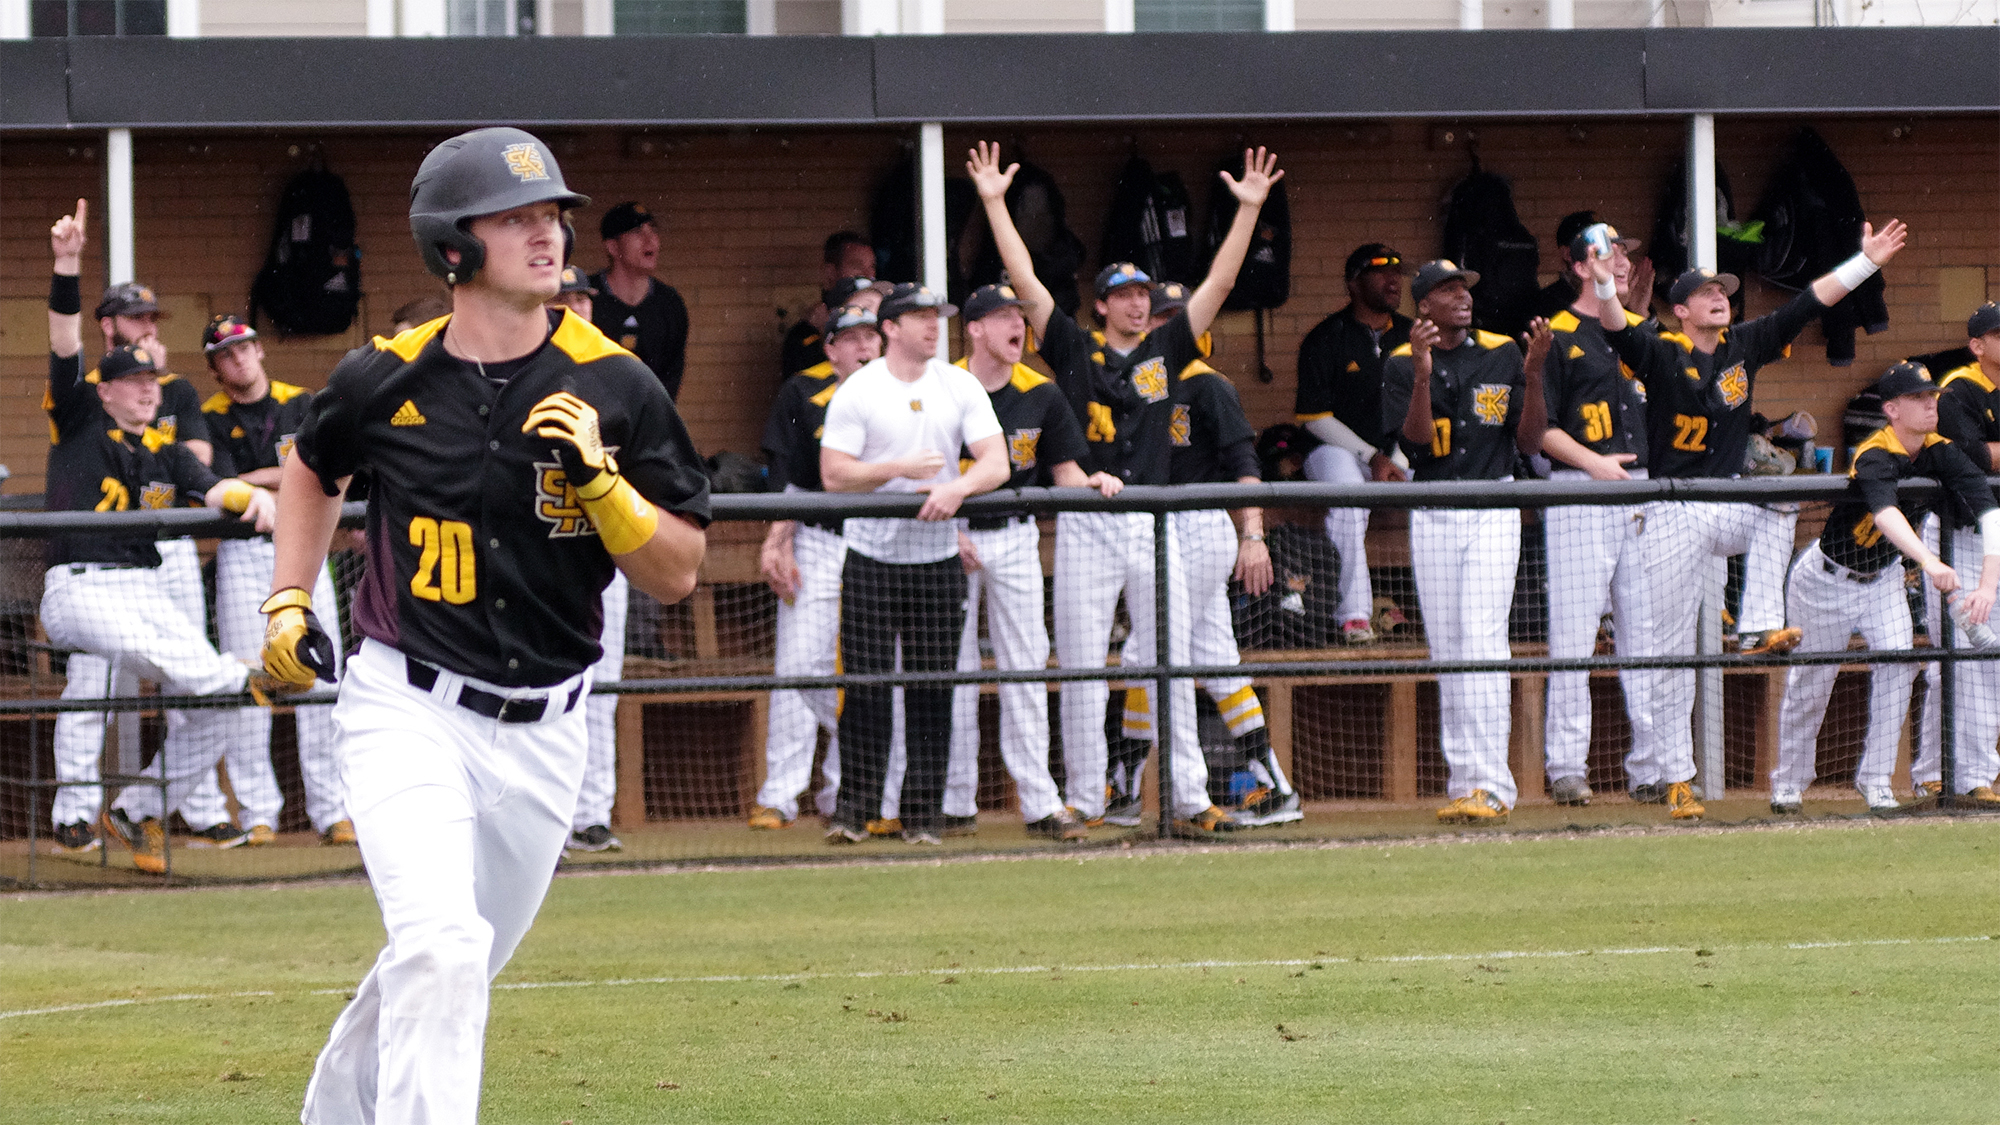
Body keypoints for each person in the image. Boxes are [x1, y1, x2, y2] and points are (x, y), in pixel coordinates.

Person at [269, 128, 709, 1124]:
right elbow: (310, 463)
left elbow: (677, 571)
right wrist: (288, 599)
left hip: (548, 728)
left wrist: (606, 490)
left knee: (441, 965)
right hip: (406, 706)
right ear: (453, 245)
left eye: (552, 214)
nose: (548, 233)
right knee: (442, 946)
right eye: (516, 217)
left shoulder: (618, 385)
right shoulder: (387, 373)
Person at [969, 140, 1281, 835]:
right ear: (1103, 302)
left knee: (1167, 658)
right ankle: (1085, 795)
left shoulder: (1170, 349)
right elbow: (1025, 280)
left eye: (1145, 293)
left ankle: (1189, 797)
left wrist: (1248, 211)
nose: (1139, 304)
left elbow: (1220, 287)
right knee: (1082, 661)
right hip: (1086, 517)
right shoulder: (1075, 347)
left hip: (1153, 518)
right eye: (1127, 294)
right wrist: (993, 201)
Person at [1597, 220, 1909, 808]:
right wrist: (1605, 288)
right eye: (1708, 291)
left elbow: (1811, 302)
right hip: (1673, 508)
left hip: (1726, 501)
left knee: (1782, 496)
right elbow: (1617, 330)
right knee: (1668, 653)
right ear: (1682, 308)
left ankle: (1757, 623)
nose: (1722, 297)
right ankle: (1676, 779)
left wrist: (1865, 263)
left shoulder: (1745, 344)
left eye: (1725, 290)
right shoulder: (1662, 347)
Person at [41, 257, 280, 871]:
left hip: (143, 589)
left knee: (229, 697)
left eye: (153, 381)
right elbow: (65, 342)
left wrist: (256, 499)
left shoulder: (164, 452)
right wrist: (67, 269)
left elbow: (214, 487)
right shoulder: (79, 424)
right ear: (105, 390)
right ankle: (77, 811)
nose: (149, 388)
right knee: (219, 677)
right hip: (83, 590)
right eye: (134, 381)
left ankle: (135, 807)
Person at [817, 283, 1008, 845]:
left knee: (933, 687)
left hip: (938, 558)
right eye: (920, 317)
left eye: (937, 316)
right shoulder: (860, 389)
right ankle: (856, 812)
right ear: (890, 329)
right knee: (867, 686)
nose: (933, 326)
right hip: (871, 557)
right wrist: (897, 468)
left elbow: (996, 461)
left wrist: (958, 488)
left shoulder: (959, 383)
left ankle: (923, 815)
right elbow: (834, 473)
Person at [1764, 361, 1997, 813]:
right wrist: (1928, 560)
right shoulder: (1874, 451)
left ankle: (1876, 781)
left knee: (1899, 667)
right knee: (1812, 683)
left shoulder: (1939, 449)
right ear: (1891, 409)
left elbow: (1989, 510)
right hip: (1826, 581)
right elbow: (1887, 515)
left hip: (1883, 581)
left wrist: (1986, 585)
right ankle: (1789, 782)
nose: (1931, 405)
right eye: (1918, 398)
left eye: (1932, 396)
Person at [940, 283, 1114, 842]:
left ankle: (1041, 804)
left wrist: (1095, 481)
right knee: (952, 671)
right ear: (974, 328)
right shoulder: (943, 387)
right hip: (949, 536)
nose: (1018, 325)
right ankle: (953, 802)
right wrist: (948, 528)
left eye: (1020, 314)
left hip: (1015, 536)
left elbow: (1065, 475)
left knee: (1026, 668)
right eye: (1003, 316)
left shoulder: (1042, 391)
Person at [1118, 281, 1295, 826]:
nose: (1160, 326)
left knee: (1144, 656)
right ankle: (1275, 787)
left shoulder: (1206, 384)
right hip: (1156, 528)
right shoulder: (1139, 384)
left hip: (1197, 527)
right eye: (1157, 317)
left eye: (1171, 318)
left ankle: (1124, 788)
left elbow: (1246, 462)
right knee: (1216, 658)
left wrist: (1254, 534)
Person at [1382, 260, 1551, 824]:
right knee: (1448, 647)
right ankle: (1465, 783)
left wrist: (1532, 375)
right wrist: (1425, 374)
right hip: (1431, 507)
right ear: (1423, 305)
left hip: (1492, 505)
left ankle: (1492, 783)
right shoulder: (1403, 361)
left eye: (1465, 288)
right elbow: (1418, 446)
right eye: (1448, 289)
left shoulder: (1503, 351)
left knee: (1482, 640)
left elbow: (1529, 441)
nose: (1462, 296)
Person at [1536, 222, 1676, 813]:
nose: (1621, 261)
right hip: (1580, 488)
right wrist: (1593, 464)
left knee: (1645, 631)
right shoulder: (1558, 333)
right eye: (1608, 252)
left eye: (1623, 252)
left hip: (1643, 489)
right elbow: (1538, 430)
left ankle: (1651, 767)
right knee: (1574, 632)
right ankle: (1567, 767)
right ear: (1578, 263)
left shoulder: (1644, 332)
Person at [200, 313, 354, 846]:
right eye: (225, 355)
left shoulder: (301, 400)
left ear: (260, 350)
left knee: (320, 674)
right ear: (215, 368)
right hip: (243, 557)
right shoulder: (210, 416)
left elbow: (322, 469)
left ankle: (333, 811)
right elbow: (218, 483)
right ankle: (257, 813)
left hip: (306, 549)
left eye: (244, 348)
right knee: (254, 680)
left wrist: (261, 478)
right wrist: (284, 474)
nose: (237, 359)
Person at [747, 303, 881, 830]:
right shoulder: (803, 392)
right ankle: (781, 793)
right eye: (851, 338)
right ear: (831, 349)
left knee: (876, 669)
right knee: (799, 665)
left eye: (871, 336)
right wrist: (777, 541)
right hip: (820, 540)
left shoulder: (903, 395)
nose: (864, 347)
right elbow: (788, 477)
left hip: (883, 545)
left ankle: (852, 786)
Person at [544, 263, 629, 853]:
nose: (578, 307)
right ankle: (549, 818)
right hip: (538, 554)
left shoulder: (620, 376)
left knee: (603, 687)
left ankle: (592, 814)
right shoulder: (524, 370)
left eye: (584, 298)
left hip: (603, 548)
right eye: (566, 299)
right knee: (542, 690)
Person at [1294, 243, 1412, 645]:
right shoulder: (1327, 337)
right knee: (1349, 500)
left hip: (1402, 452)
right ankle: (1355, 615)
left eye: (1397, 270)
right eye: (1380, 271)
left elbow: (1426, 408)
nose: (1393, 279)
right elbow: (1313, 416)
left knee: (1445, 493)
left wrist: (1396, 457)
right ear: (1353, 283)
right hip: (1339, 452)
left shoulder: (1415, 334)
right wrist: (1373, 456)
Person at [1912, 302, 2000, 805]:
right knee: (1964, 660)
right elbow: (1973, 454)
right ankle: (1964, 775)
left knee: (1983, 662)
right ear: (1977, 344)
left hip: (1994, 540)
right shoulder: (1958, 388)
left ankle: (1954, 772)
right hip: (1956, 540)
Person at [589, 201, 690, 399]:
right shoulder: (585, 299)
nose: (650, 239)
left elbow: (670, 378)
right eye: (637, 232)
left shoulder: (670, 304)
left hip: (649, 422)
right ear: (612, 246)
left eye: (653, 230)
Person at [780, 231, 878, 376]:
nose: (869, 274)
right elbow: (808, 389)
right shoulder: (805, 334)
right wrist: (825, 334)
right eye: (857, 265)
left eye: (872, 266)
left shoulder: (886, 323)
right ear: (830, 272)